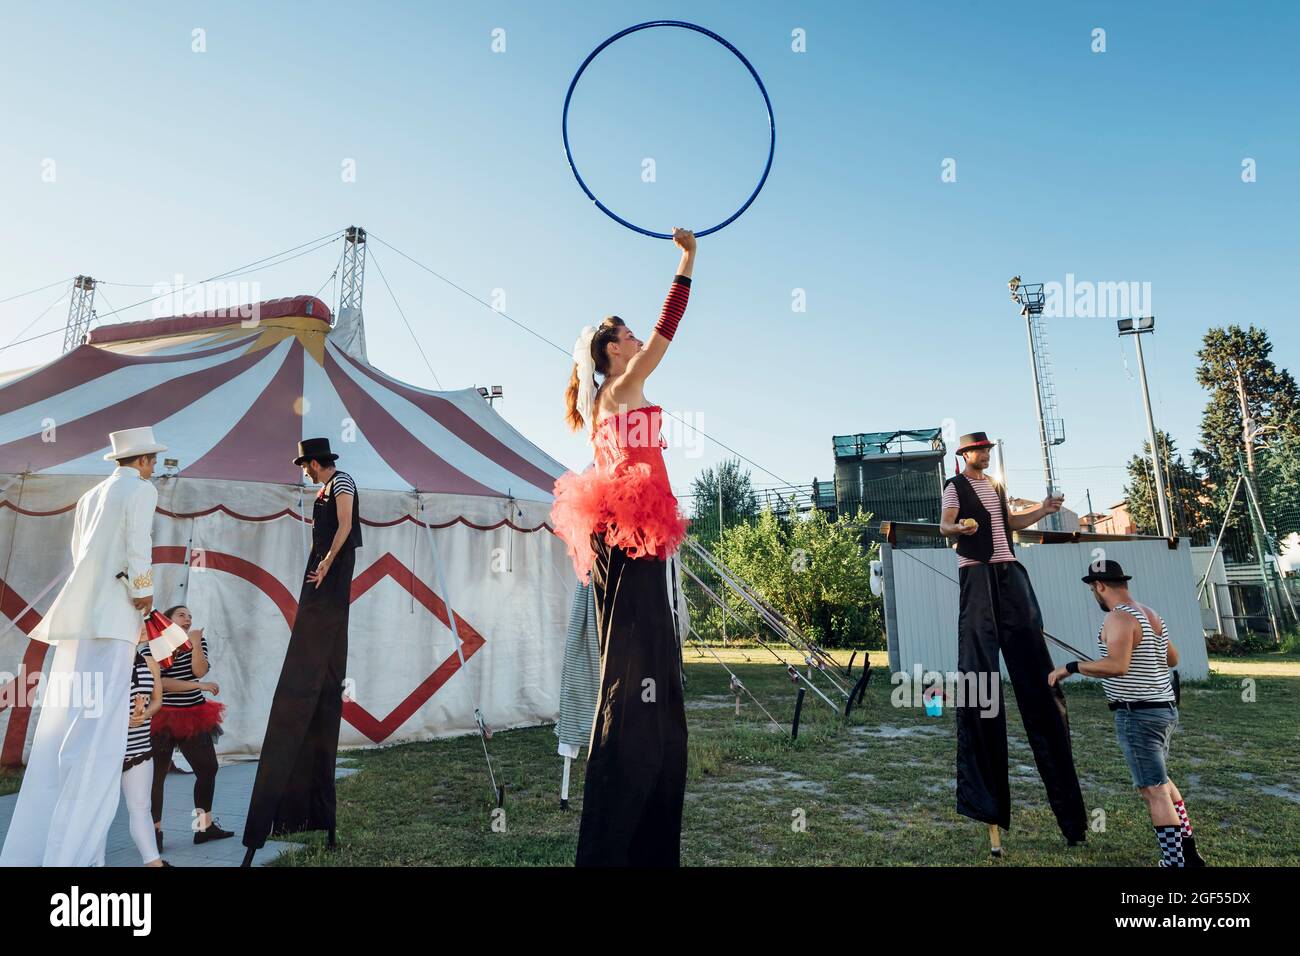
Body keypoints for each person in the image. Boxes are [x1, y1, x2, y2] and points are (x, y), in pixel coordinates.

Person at [550, 227, 695, 866]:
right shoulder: (625, 382)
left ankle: (636, 830)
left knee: (641, 672)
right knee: (635, 674)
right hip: (628, 540)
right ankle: (622, 832)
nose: (636, 339)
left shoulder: (606, 398)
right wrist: (688, 261)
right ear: (611, 351)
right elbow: (669, 329)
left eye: (631, 334)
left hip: (623, 540)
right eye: (626, 335)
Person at [0, 426, 163, 867]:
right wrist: (143, 594)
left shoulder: (91, 495)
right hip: (115, 618)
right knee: (103, 733)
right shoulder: (140, 491)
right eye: (153, 460)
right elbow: (138, 545)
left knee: (76, 719)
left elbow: (79, 554)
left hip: (80, 617)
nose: (154, 467)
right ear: (144, 460)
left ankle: (76, 849)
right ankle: (73, 854)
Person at [938, 431, 1088, 847]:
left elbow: (1010, 524)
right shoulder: (956, 487)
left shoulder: (996, 486)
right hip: (977, 574)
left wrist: (1042, 510)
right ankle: (986, 804)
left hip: (1010, 573)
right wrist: (961, 528)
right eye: (978, 450)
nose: (984, 454)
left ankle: (1072, 821)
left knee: (1039, 679)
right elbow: (946, 526)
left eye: (987, 449)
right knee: (980, 680)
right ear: (965, 455)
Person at [241, 438, 360, 866]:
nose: (305, 473)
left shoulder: (342, 481)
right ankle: (302, 812)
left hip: (330, 577)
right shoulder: (322, 489)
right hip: (320, 579)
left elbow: (345, 527)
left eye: (306, 466)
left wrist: (327, 563)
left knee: (316, 664)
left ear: (315, 461)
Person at [1050, 560, 1205, 867]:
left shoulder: (1118, 618)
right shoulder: (1150, 614)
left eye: (1093, 588)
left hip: (1138, 715)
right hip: (1163, 711)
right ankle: (1189, 854)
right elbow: (1171, 658)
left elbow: (1117, 667)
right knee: (1162, 781)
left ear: (1100, 586)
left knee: (1153, 789)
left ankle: (1175, 862)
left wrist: (1070, 668)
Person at [150, 604, 231, 850]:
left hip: (194, 715)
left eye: (190, 616)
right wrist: (200, 687)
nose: (188, 619)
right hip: (163, 716)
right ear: (168, 620)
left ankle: (203, 827)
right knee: (157, 777)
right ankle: (154, 833)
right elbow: (161, 683)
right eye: (181, 615)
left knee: (208, 769)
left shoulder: (198, 641)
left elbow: (199, 670)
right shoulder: (156, 643)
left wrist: (196, 644)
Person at [124, 644, 168, 866]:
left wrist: (144, 713)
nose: (142, 626)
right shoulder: (105, 659)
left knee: (141, 807)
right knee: (98, 811)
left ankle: (154, 864)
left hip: (140, 747)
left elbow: (157, 700)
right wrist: (125, 716)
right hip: (106, 752)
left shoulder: (150, 662)